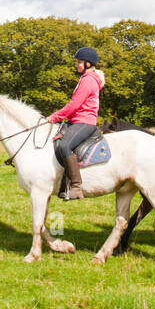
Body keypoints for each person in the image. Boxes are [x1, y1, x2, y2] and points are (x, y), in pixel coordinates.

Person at [47, 47, 104, 200]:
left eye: (79, 62)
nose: (77, 65)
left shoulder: (88, 80)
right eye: (77, 62)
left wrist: (54, 117)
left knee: (65, 145)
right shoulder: (85, 78)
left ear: (88, 63)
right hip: (76, 120)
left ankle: (76, 186)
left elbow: (74, 105)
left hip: (85, 121)